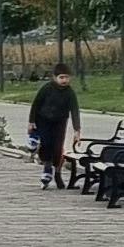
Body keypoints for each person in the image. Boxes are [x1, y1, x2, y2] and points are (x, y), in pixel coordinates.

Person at [29, 60, 81, 188]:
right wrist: (31, 121)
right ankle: (47, 166)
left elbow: (75, 110)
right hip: (44, 120)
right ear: (55, 78)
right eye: (61, 77)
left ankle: (57, 173)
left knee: (58, 148)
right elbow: (36, 104)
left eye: (66, 77)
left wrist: (77, 130)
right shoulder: (47, 88)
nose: (64, 80)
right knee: (46, 144)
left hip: (60, 122)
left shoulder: (70, 93)